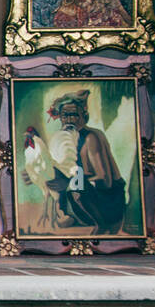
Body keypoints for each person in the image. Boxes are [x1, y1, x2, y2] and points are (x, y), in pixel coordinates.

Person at [46, 90, 126, 233]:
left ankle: (102, 226)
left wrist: (69, 183)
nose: (69, 120)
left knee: (76, 184)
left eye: (74, 115)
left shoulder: (91, 138)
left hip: (108, 203)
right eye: (65, 116)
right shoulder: (65, 138)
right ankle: (67, 215)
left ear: (84, 116)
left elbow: (105, 181)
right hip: (86, 200)